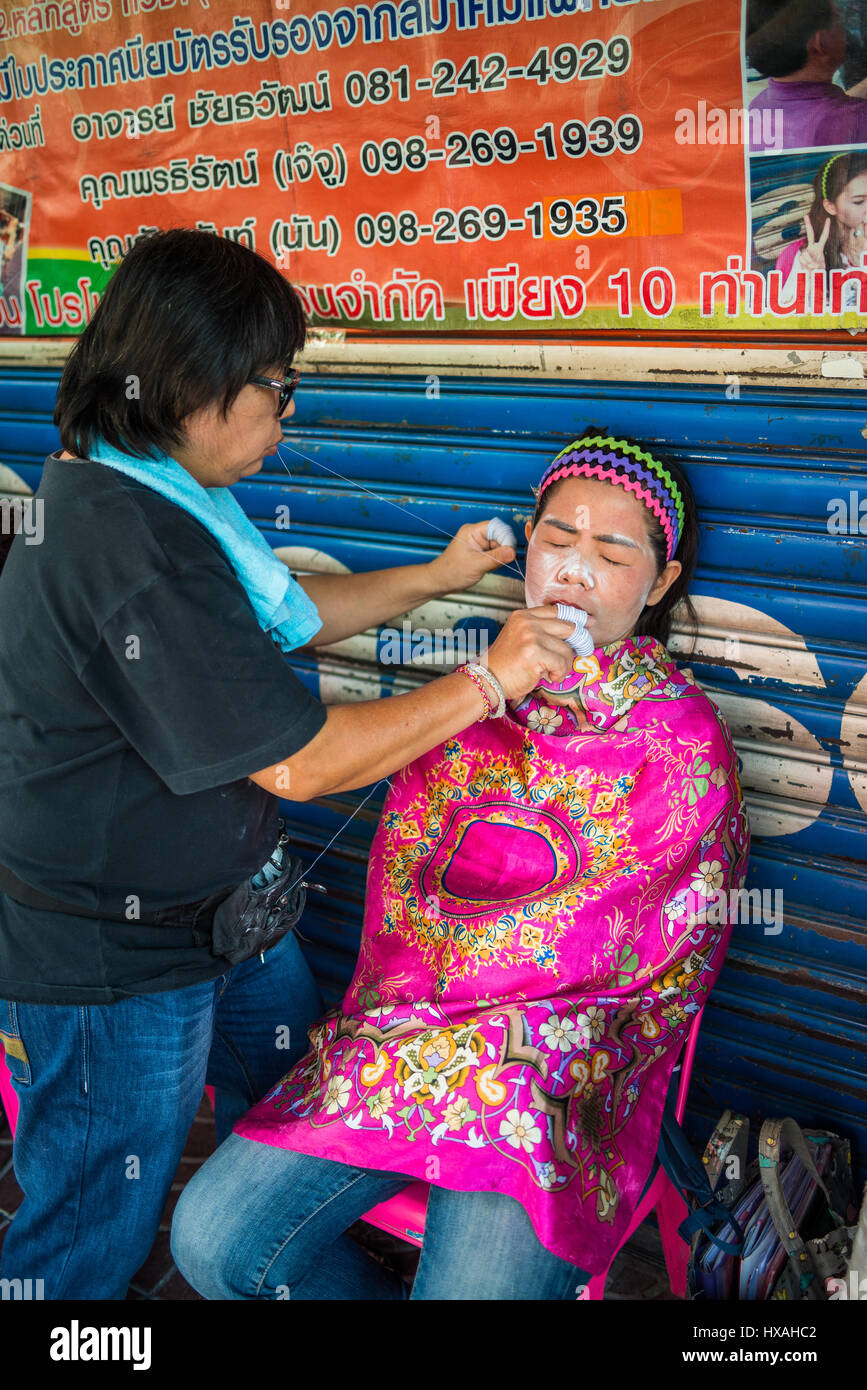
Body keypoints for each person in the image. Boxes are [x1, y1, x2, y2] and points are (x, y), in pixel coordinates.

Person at [0, 228, 577, 1300]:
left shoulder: (162, 495)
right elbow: (305, 765)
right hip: (117, 958)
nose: (288, 412)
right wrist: (489, 683)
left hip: (232, 918)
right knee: (88, 1232)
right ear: (191, 381)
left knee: (285, 1128)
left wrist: (442, 575)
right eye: (277, 385)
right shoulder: (125, 547)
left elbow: (287, 622)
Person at [171, 434, 751, 1301]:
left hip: (559, 1063)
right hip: (407, 1038)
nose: (575, 572)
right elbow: (407, 881)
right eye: (557, 539)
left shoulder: (680, 741)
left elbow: (647, 954)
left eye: (612, 551)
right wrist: (490, 682)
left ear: (661, 582)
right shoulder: (474, 693)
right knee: (211, 1240)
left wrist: (503, 1024)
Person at [747, 0, 867, 148]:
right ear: (819, 43)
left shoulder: (758, 107)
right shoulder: (856, 121)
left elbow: (830, 107)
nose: (844, 29)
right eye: (838, 20)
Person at [775, 150, 867, 309]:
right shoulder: (803, 256)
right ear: (831, 206)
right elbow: (782, 319)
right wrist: (811, 280)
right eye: (859, 202)